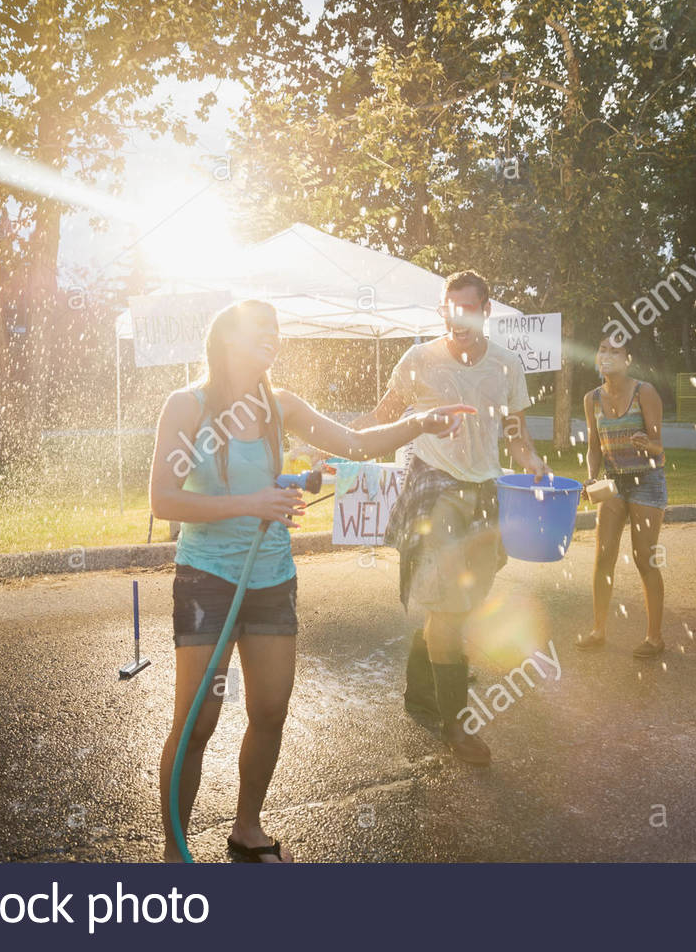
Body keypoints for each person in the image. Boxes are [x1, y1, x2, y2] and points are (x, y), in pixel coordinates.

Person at [150, 299, 469, 862]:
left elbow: (358, 443)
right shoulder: (187, 407)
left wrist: (419, 422)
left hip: (272, 578)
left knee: (271, 709)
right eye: (260, 329)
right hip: (206, 579)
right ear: (227, 339)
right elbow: (164, 499)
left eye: (276, 329)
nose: (272, 336)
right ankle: (176, 852)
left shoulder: (281, 407)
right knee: (197, 719)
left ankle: (247, 829)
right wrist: (254, 501)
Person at [353, 270, 550, 766]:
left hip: (486, 493)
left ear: (486, 311)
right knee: (449, 607)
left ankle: (420, 692)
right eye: (450, 307)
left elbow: (515, 431)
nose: (458, 318)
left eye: (468, 308)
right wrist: (328, 445)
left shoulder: (506, 366)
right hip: (434, 491)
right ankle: (457, 725)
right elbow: (382, 417)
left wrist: (531, 462)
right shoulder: (418, 360)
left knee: (460, 604)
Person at [577, 334, 667, 658]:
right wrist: (591, 477)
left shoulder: (646, 392)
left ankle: (655, 638)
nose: (608, 355)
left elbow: (660, 450)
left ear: (628, 359)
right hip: (614, 482)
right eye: (602, 349)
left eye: (616, 351)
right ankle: (598, 630)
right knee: (604, 556)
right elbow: (593, 447)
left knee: (645, 559)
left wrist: (647, 443)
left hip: (647, 481)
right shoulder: (592, 399)